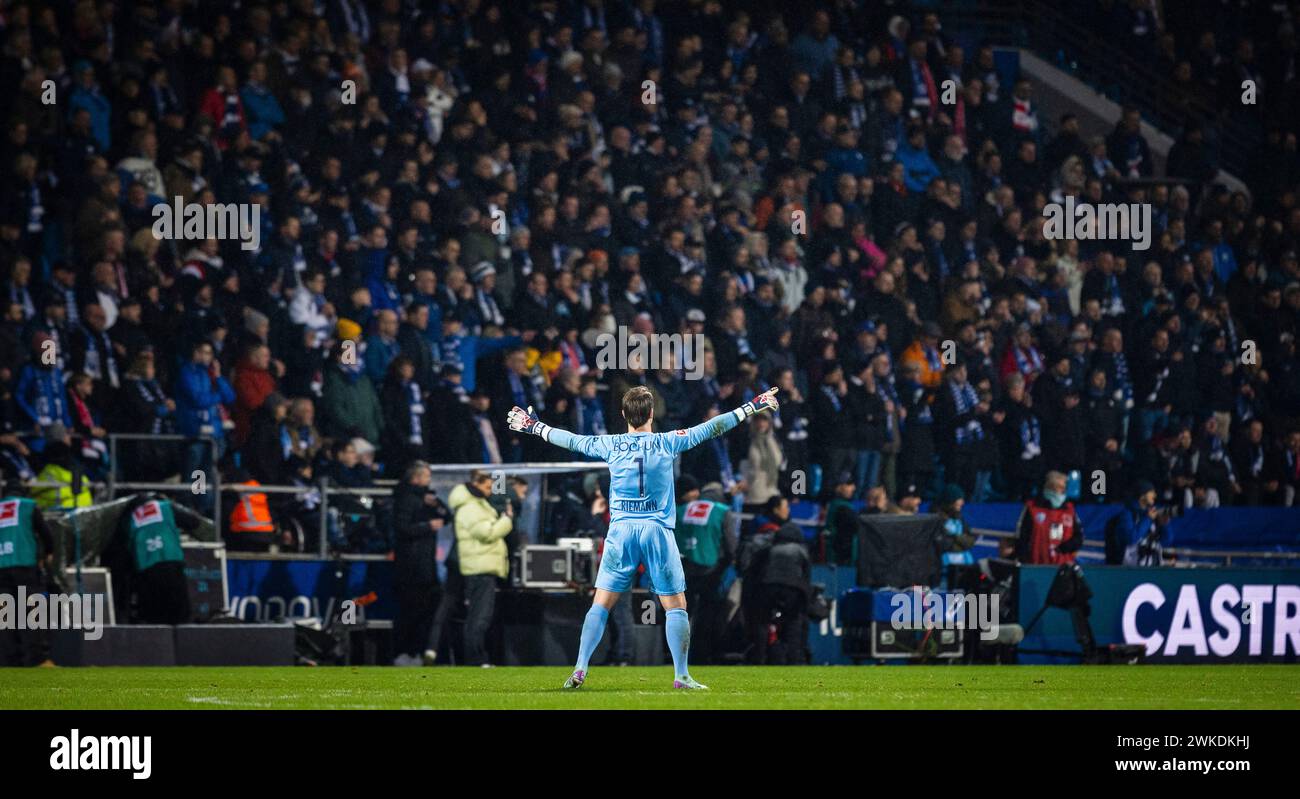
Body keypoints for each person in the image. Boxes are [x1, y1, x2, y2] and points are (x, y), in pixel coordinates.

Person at [507, 383, 780, 690]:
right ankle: (681, 675)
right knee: (676, 606)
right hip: (657, 532)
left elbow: (569, 440)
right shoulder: (667, 442)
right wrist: (752, 405)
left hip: (621, 531)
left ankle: (580, 668)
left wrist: (533, 426)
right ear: (651, 413)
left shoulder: (609, 444)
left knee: (600, 604)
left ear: (624, 414)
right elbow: (713, 427)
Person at [105, 493, 204, 623]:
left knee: (154, 622)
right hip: (173, 566)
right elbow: (194, 522)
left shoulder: (127, 520)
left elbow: (122, 559)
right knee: (180, 619)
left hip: (147, 572)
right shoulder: (164, 506)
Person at [448, 469, 512, 667]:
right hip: (479, 568)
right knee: (479, 618)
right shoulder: (469, 507)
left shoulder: (474, 505)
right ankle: (475, 660)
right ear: (475, 484)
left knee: (479, 617)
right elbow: (486, 533)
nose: (489, 491)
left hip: (482, 567)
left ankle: (476, 659)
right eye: (486, 486)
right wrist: (507, 520)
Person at [391, 460, 450, 666]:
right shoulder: (405, 498)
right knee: (410, 610)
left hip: (425, 564)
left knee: (423, 611)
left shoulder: (426, 498)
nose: (429, 480)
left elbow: (448, 517)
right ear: (415, 478)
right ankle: (403, 652)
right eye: (426, 476)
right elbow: (402, 529)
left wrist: (438, 506)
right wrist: (427, 526)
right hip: (410, 565)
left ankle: (416, 651)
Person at [673, 475, 735, 666]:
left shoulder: (679, 510)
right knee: (708, 615)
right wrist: (730, 561)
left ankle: (674, 655)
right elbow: (730, 543)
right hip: (712, 570)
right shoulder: (723, 511)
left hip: (684, 569)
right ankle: (703, 655)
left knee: (680, 613)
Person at [0, 487, 56, 666]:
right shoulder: (27, 505)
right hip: (24, 564)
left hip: (1, 568)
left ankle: (7, 661)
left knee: (5, 617)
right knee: (32, 613)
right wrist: (48, 551)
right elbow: (46, 533)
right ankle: (35, 659)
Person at [1015, 470, 1085, 564]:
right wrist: (1024, 559)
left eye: (1064, 487)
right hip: (1036, 564)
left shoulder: (1069, 509)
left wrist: (1064, 548)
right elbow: (1022, 536)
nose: (1063, 491)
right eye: (1060, 487)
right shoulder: (1032, 508)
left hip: (1063, 566)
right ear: (1050, 487)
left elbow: (1079, 537)